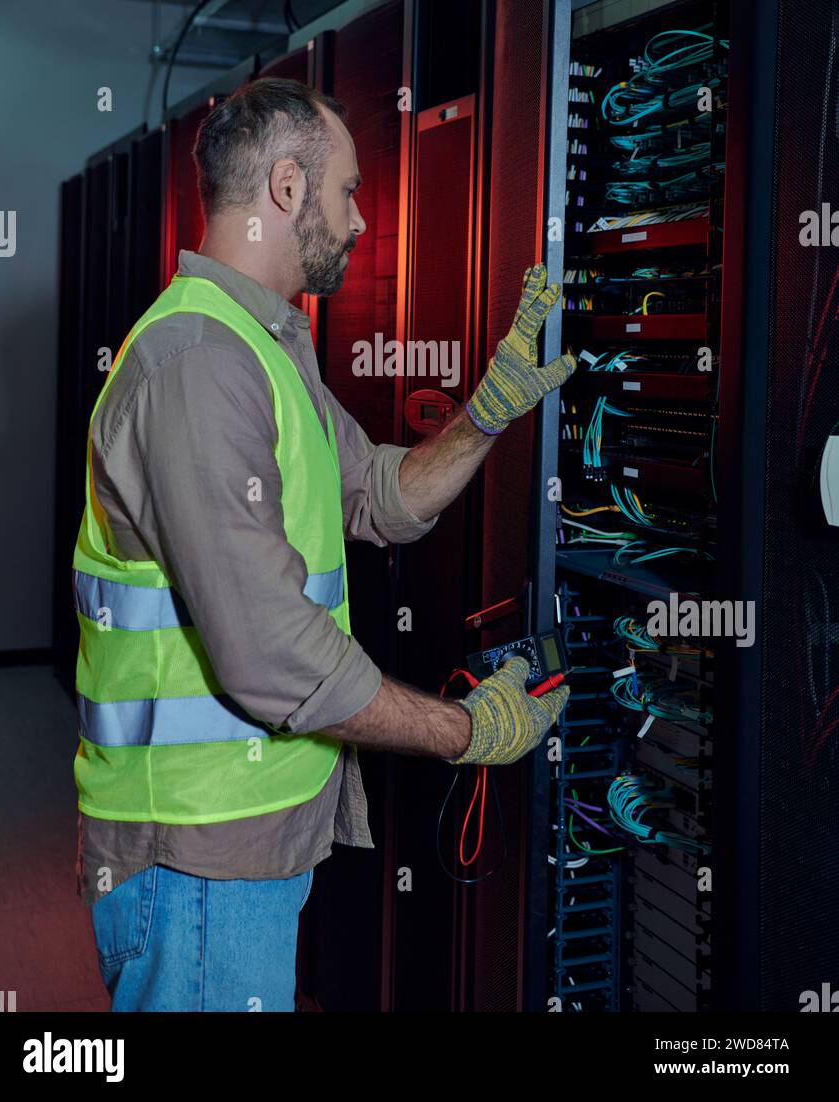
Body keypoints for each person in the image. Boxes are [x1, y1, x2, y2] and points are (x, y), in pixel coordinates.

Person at [73, 76, 577, 1012]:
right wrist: (469, 733)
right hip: (195, 855)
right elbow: (270, 652)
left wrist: (490, 411)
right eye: (348, 192)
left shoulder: (261, 348)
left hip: (243, 843)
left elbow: (377, 494)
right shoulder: (198, 367)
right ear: (288, 188)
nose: (358, 222)